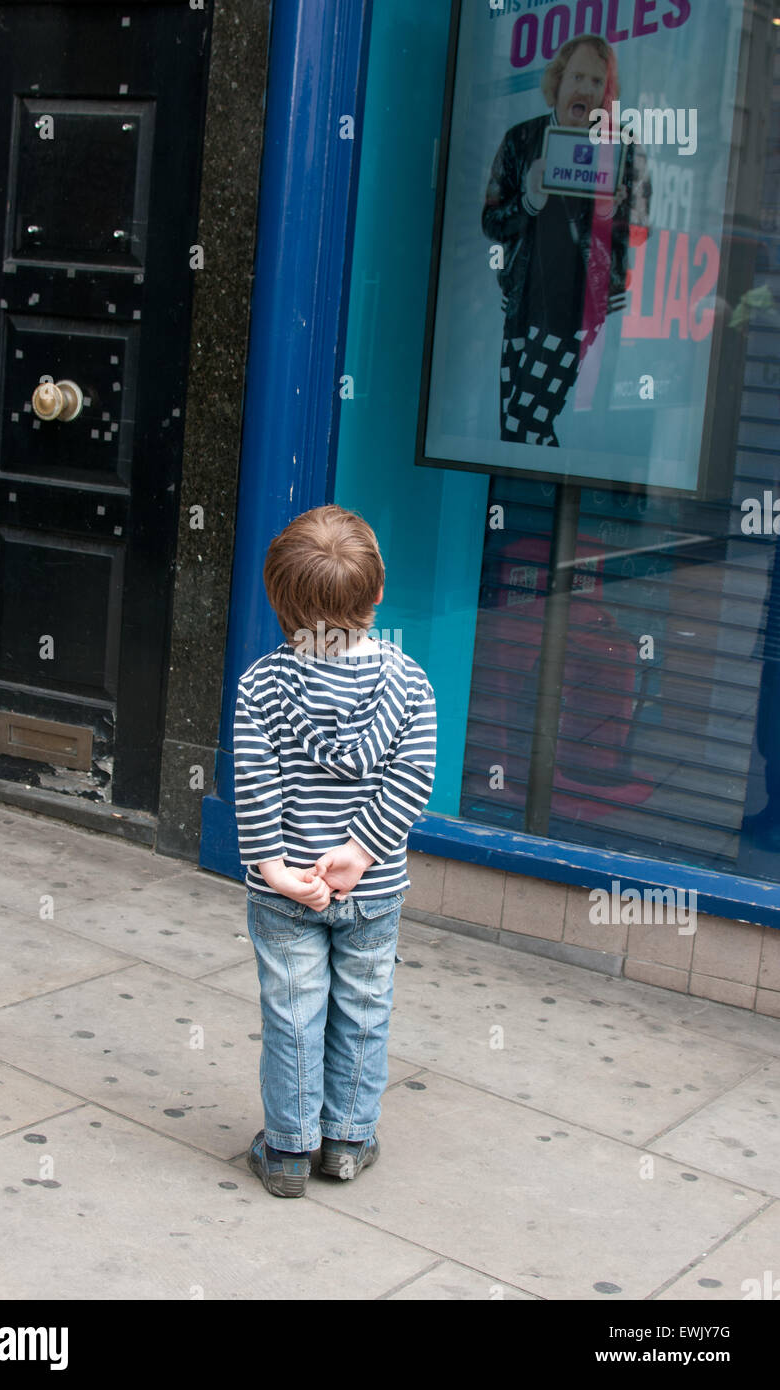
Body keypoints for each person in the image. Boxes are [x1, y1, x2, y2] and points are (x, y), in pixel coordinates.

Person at [233, 504, 437, 1197]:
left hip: (286, 893)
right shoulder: (409, 683)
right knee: (364, 1004)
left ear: (277, 599)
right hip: (371, 889)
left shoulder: (261, 685)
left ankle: (288, 1152)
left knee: (292, 1013)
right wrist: (359, 854)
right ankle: (347, 1140)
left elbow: (254, 786)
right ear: (376, 593)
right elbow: (413, 780)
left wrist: (278, 870)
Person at [482, 33, 650, 446]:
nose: (586, 90)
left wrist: (610, 213)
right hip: (521, 305)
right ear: (557, 81)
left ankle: (555, 504)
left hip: (577, 309)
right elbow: (491, 221)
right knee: (517, 428)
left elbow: (640, 233)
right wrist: (529, 200)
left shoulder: (623, 147)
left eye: (598, 82)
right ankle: (549, 504)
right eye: (578, 76)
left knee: (525, 425)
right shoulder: (521, 139)